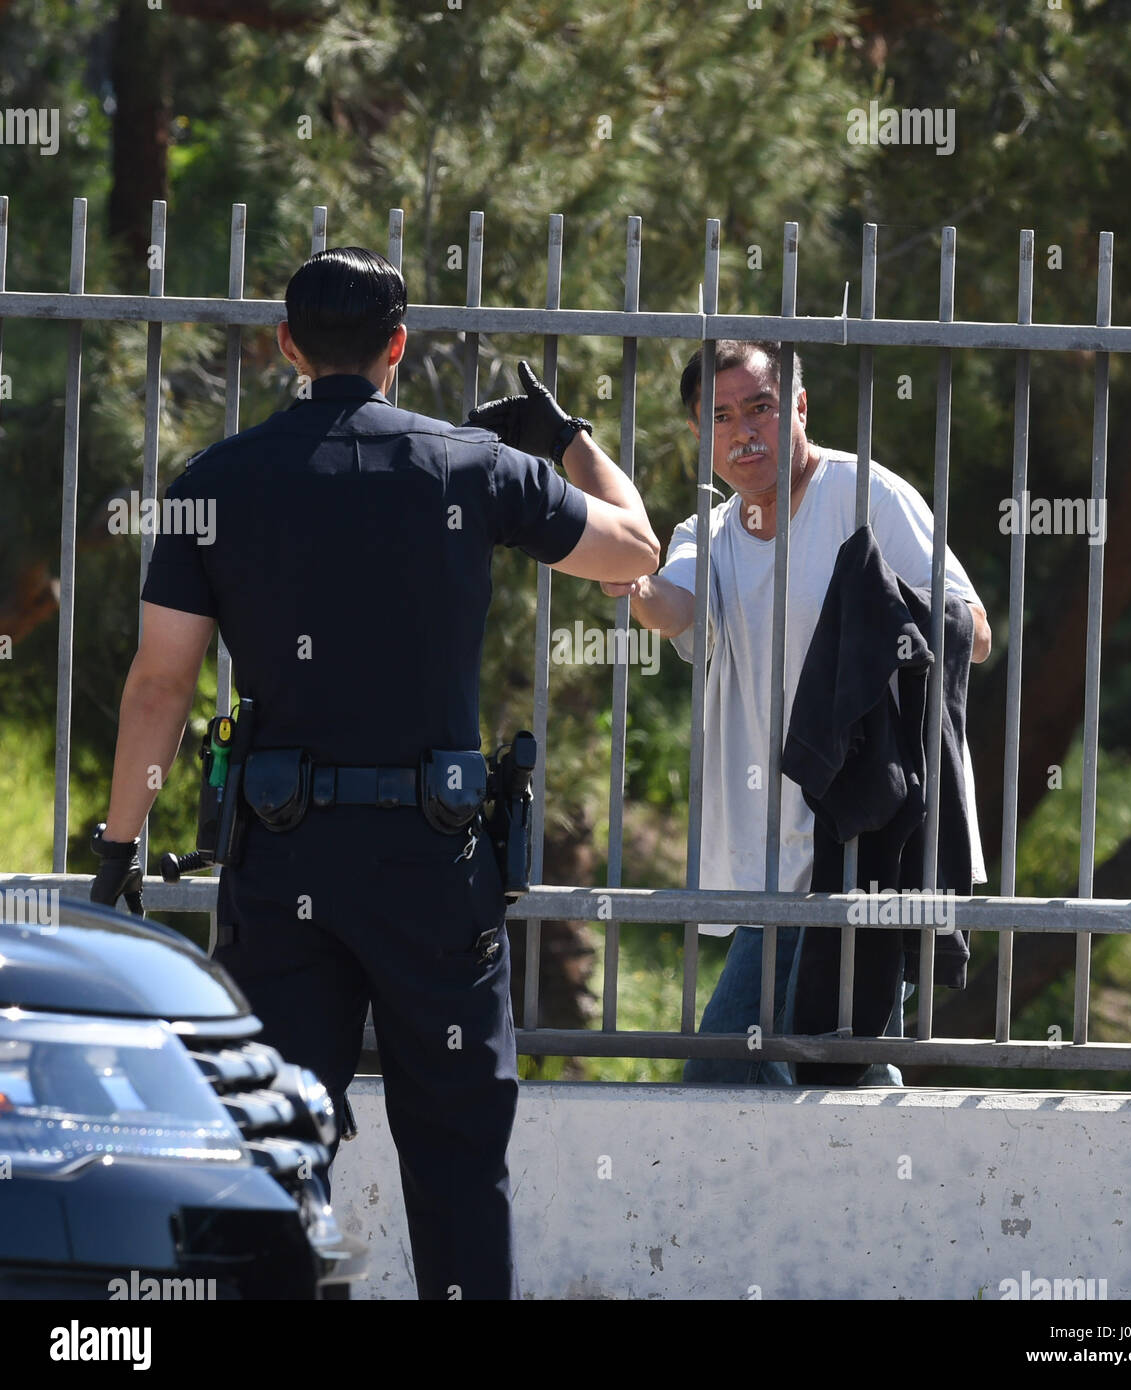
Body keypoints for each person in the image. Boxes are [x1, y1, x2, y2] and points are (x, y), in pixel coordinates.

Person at [88, 246, 659, 1300]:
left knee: (271, 1150)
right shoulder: (473, 468)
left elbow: (158, 687)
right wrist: (569, 443)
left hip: (279, 856)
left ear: (286, 347)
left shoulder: (213, 484)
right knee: (454, 1156)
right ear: (399, 348)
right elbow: (637, 551)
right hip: (433, 865)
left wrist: (120, 851)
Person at [603, 340, 991, 1084]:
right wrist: (628, 581)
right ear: (698, 434)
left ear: (799, 408)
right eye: (719, 416)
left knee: (733, 1075)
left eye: (759, 407)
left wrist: (874, 611)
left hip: (871, 845)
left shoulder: (867, 496)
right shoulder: (706, 533)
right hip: (768, 859)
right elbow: (673, 606)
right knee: (825, 1074)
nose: (743, 431)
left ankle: (884, 1190)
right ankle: (885, 1194)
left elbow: (970, 632)